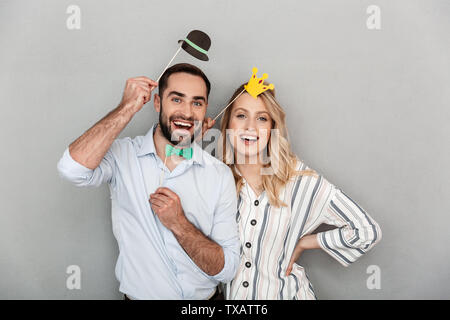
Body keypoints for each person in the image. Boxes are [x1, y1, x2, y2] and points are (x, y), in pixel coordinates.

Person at [57, 63, 240, 300]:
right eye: (176, 99)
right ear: (157, 102)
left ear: (205, 110)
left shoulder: (219, 174)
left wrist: (179, 224)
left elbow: (226, 270)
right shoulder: (123, 156)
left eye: (197, 102)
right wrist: (126, 108)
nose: (186, 112)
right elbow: (71, 169)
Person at [218, 82, 382, 299]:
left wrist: (308, 242)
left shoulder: (300, 180)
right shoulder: (215, 179)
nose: (250, 127)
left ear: (272, 128)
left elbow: (367, 231)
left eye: (261, 118)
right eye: (241, 115)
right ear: (228, 122)